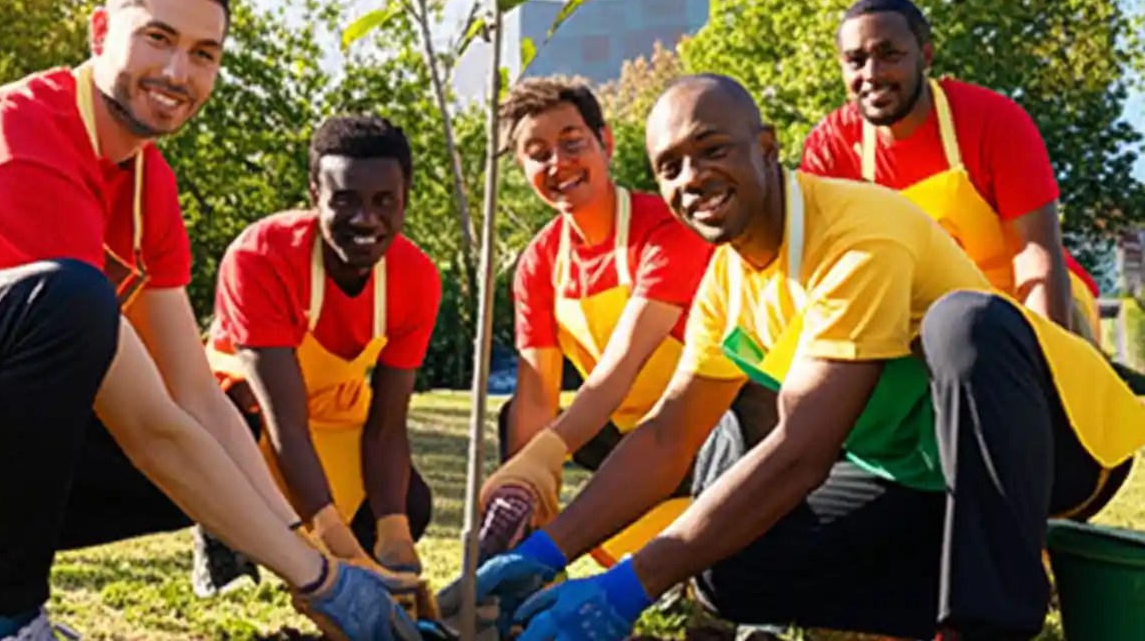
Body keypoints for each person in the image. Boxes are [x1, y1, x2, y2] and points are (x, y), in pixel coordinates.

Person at [0, 0, 419, 641]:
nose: (178, 73)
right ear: (101, 32)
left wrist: (313, 549)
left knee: (215, 442)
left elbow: (195, 400)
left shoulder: (144, 180)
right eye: (158, 38)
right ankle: (6, 625)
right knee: (73, 305)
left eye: (203, 54)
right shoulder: (23, 144)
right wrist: (318, 581)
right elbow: (150, 426)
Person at [467, 75, 1145, 641]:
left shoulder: (855, 233)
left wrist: (625, 588)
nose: (692, 178)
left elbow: (803, 451)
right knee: (729, 573)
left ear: (766, 148)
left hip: (1064, 444)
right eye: (670, 167)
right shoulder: (726, 283)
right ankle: (948, 598)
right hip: (923, 471)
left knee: (964, 324)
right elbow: (668, 437)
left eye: (712, 150)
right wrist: (544, 552)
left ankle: (984, 623)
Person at [199, 116, 439, 599]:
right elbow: (284, 423)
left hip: (328, 408)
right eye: (345, 200)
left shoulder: (416, 278)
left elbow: (387, 425)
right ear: (315, 195)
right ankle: (220, 533)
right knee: (231, 424)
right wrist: (334, 543)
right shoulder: (261, 257)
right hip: (246, 413)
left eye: (384, 201)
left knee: (410, 504)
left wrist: (395, 538)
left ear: (405, 199)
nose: (366, 219)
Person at [479, 78, 716, 565]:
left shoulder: (665, 230)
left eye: (572, 143)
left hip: (703, 433)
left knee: (642, 553)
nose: (558, 164)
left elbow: (620, 367)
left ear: (604, 142)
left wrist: (543, 455)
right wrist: (523, 489)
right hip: (623, 437)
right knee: (516, 422)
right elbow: (537, 396)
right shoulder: (539, 262)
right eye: (537, 154)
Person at [801, 0, 1104, 342]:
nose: (872, 74)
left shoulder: (994, 121)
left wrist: (1049, 353)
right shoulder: (829, 147)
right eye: (856, 61)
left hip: (1026, 304)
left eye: (890, 55)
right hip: (917, 319)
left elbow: (1035, 251)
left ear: (925, 56)